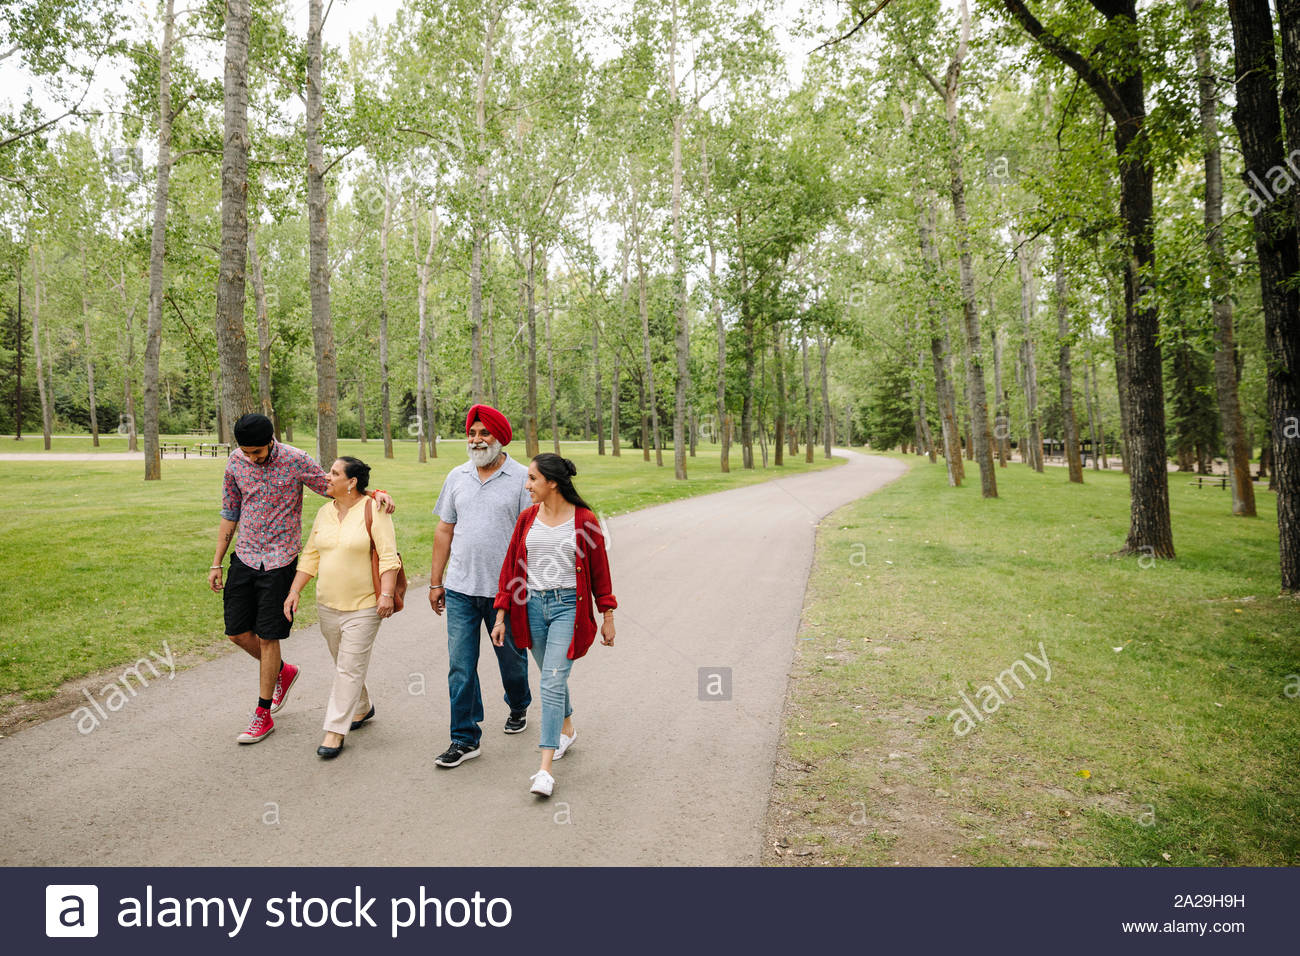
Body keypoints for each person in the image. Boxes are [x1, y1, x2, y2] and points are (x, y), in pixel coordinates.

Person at [209, 413, 393, 744]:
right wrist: (216, 563)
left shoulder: (295, 460)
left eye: (257, 453)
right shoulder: (236, 463)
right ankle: (283, 671)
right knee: (237, 633)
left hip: (281, 561)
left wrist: (375, 492)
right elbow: (229, 513)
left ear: (270, 441)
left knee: (268, 637)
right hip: (246, 557)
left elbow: (334, 487)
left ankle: (262, 715)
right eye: (246, 452)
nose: (251, 458)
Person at [491, 453, 616, 797]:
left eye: (532, 479)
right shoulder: (527, 518)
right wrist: (501, 614)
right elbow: (510, 570)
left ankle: (544, 770)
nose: (526, 485)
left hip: (567, 609)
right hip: (531, 609)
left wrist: (607, 614)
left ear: (553, 483)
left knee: (550, 681)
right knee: (553, 676)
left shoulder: (585, 520)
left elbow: (599, 572)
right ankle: (567, 729)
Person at [429, 404, 534, 768]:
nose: (476, 440)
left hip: (506, 591)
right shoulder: (456, 476)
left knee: (512, 661)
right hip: (460, 588)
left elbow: (529, 535)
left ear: (499, 437)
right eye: (471, 434)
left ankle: (518, 703)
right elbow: (444, 529)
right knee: (460, 664)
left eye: (483, 433)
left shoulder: (522, 478)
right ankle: (464, 737)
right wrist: (435, 582)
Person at [283, 456, 399, 759]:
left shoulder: (376, 508)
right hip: (328, 605)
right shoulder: (323, 513)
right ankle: (361, 707)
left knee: (348, 668)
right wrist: (294, 591)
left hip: (364, 606)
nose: (327, 477)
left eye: (334, 473)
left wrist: (386, 594)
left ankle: (335, 731)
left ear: (352, 482)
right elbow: (310, 556)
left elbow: (388, 556)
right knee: (344, 664)